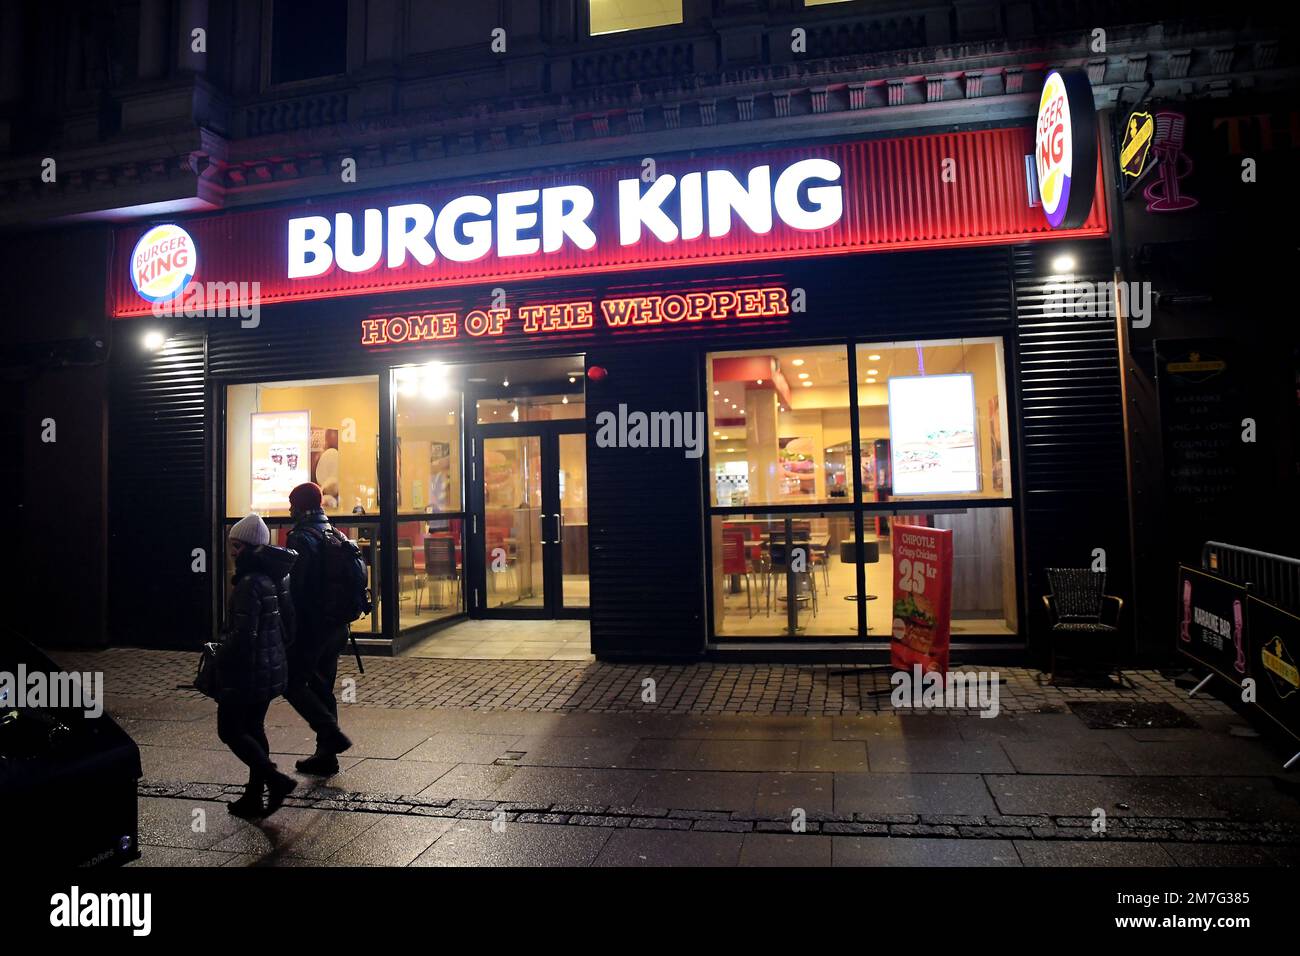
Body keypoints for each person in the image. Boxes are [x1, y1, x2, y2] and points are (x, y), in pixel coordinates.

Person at [218, 513, 298, 818]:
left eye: (235, 545)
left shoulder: (249, 583)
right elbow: (289, 627)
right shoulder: (278, 576)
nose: (232, 552)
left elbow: (242, 636)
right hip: (270, 667)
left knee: (230, 729)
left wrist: (221, 659)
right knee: (253, 727)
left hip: (247, 672)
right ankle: (253, 795)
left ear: (247, 547)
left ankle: (274, 779)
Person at [284, 482, 353, 775]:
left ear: (301, 507)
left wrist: (288, 625)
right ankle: (326, 756)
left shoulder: (301, 537)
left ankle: (330, 734)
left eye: (292, 504)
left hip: (312, 626)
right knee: (322, 687)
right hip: (337, 625)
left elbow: (295, 587)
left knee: (291, 682)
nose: (289, 510)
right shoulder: (335, 533)